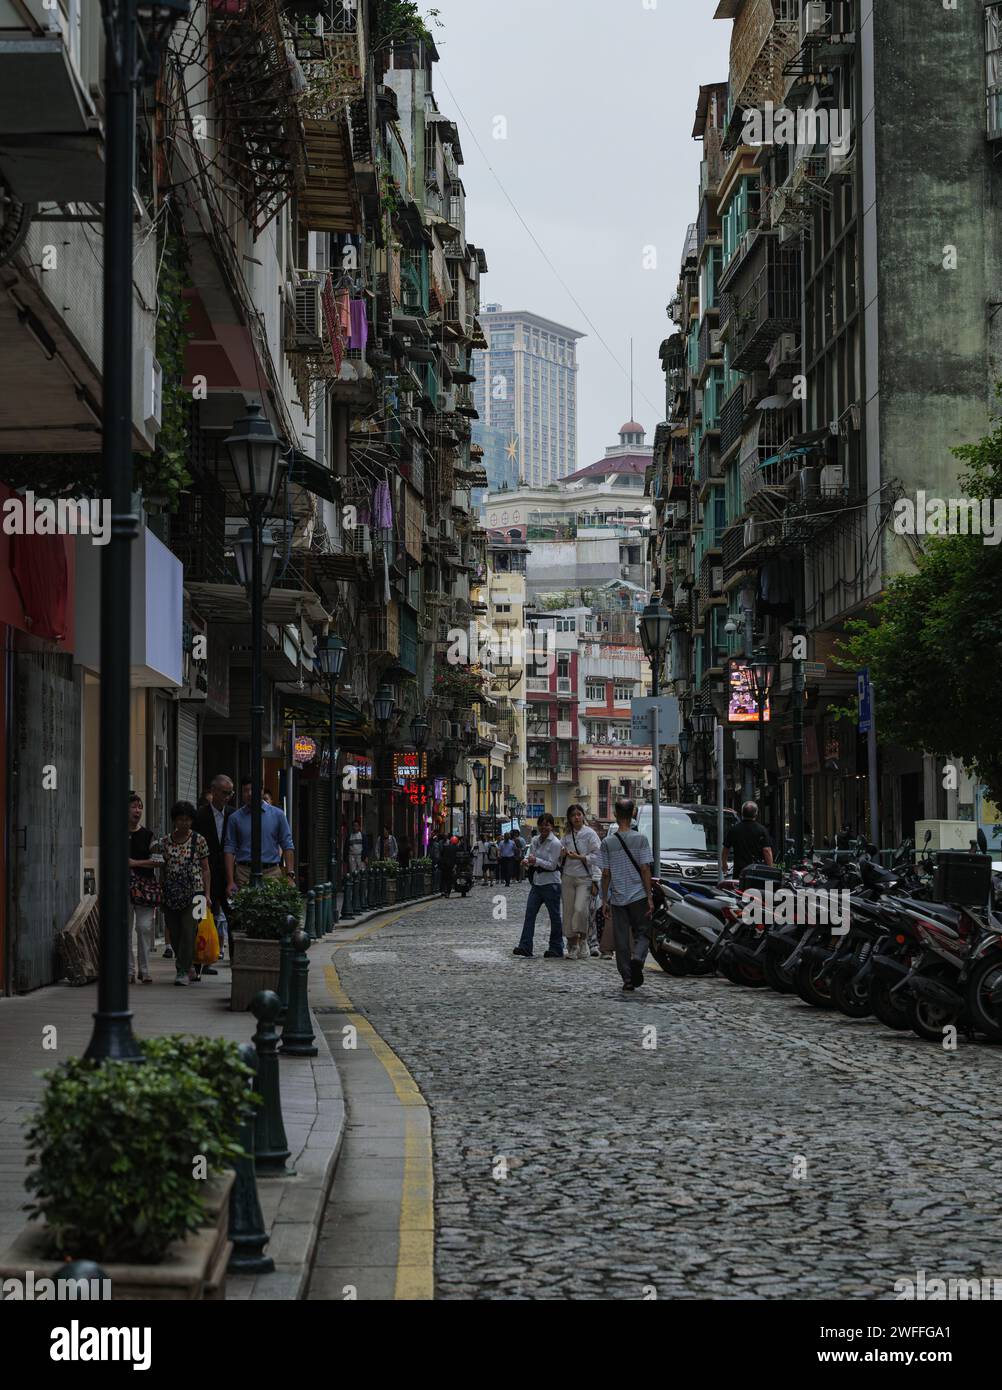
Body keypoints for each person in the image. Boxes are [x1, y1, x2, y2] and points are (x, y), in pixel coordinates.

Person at [600, 797, 655, 991]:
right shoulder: (641, 839)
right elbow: (645, 868)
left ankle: (627, 979)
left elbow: (605, 873)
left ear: (615, 814)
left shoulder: (607, 842)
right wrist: (649, 896)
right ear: (633, 814)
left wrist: (604, 899)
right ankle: (638, 958)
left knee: (621, 939)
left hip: (617, 897)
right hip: (638, 895)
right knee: (643, 932)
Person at [157, 800, 211, 986]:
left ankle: (181, 970)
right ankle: (187, 966)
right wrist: (161, 891)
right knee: (175, 931)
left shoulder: (199, 840)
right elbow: (162, 869)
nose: (184, 823)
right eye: (180, 819)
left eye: (187, 819)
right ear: (174, 820)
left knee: (190, 930)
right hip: (170, 894)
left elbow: (206, 869)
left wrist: (207, 894)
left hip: (196, 894)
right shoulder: (164, 842)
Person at [223, 779, 296, 896]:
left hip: (271, 872)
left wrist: (290, 875)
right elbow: (229, 849)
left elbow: (287, 845)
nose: (250, 794)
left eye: (253, 790)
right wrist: (230, 881)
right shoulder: (235, 818)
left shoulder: (278, 815)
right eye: (245, 791)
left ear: (262, 791)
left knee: (270, 910)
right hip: (244, 872)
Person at [193, 774, 234, 969]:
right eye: (225, 793)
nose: (228, 797)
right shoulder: (199, 815)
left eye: (230, 793)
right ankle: (199, 962)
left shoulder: (233, 815)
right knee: (199, 918)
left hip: (227, 877)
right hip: (203, 877)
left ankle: (235, 959)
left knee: (232, 918)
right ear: (214, 792)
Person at [513, 814, 564, 958]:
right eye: (542, 824)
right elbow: (531, 855)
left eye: (547, 824)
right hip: (537, 882)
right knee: (529, 914)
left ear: (552, 826)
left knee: (554, 917)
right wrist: (526, 860)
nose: (544, 827)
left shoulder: (555, 843)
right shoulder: (535, 840)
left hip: (551, 883)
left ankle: (556, 947)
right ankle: (525, 946)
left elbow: (552, 865)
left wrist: (536, 861)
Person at [559, 804, 602, 960]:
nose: (576, 817)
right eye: (573, 815)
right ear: (569, 818)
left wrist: (581, 857)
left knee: (580, 910)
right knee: (568, 912)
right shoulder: (566, 836)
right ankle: (572, 945)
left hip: (584, 878)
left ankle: (583, 940)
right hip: (568, 877)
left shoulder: (590, 834)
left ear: (583, 816)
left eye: (579, 814)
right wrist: (562, 854)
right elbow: (559, 859)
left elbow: (598, 856)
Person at [127, 793, 158, 984]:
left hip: (145, 889)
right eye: (133, 806)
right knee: (125, 930)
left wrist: (134, 863)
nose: (137, 810)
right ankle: (129, 970)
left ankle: (145, 970)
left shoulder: (148, 835)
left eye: (140, 807)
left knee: (144, 927)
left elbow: (158, 861)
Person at [720, 800, 774, 879]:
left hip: (739, 871)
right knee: (765, 888)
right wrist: (770, 869)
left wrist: (724, 864)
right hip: (757, 871)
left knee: (739, 890)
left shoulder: (734, 830)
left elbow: (725, 849)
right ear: (756, 813)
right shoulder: (762, 830)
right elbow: (767, 851)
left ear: (742, 813)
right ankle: (768, 889)